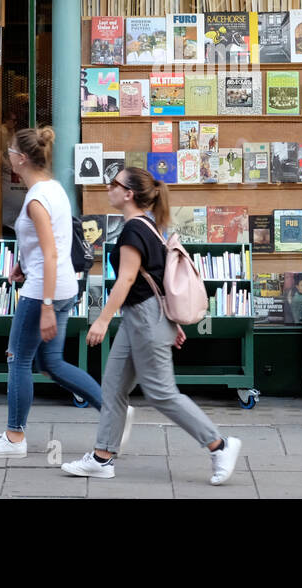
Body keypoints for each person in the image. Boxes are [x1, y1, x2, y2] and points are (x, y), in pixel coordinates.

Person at [61, 166, 241, 485]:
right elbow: (158, 282)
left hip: (144, 318)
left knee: (160, 392)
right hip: (141, 317)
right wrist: (168, 321)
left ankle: (220, 445)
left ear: (129, 194)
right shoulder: (148, 226)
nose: (108, 188)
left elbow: (128, 279)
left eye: (113, 184)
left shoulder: (134, 230)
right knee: (114, 387)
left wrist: (102, 320)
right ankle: (103, 458)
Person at [0, 127, 105, 458]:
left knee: (18, 360)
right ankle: (114, 411)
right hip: (62, 286)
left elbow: (50, 252)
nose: (8, 156)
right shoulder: (54, 189)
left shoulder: (35, 199)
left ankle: (14, 437)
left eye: (10, 151)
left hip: (43, 290)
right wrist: (22, 263)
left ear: (22, 158)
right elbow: (52, 243)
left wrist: (45, 305)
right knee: (52, 362)